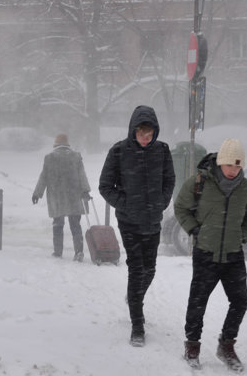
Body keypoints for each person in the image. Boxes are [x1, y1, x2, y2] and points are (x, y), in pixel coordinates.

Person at [174, 138, 247, 372]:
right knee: (198, 301)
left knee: (240, 301)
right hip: (206, 253)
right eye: (229, 165)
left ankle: (226, 345)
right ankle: (192, 345)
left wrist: (242, 235)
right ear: (220, 163)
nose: (234, 170)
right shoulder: (200, 183)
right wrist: (194, 229)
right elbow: (181, 207)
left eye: (238, 166)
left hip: (233, 255)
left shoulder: (246, 189)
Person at [98, 105, 175, 347]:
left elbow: (170, 180)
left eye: (150, 134)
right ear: (134, 131)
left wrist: (161, 203)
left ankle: (134, 299)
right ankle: (137, 325)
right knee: (137, 269)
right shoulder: (119, 151)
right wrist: (126, 205)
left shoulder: (162, 151)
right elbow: (105, 186)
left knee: (150, 270)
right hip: (129, 222)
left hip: (153, 221)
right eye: (142, 134)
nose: (146, 138)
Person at [32, 133, 92, 261]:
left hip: (57, 196)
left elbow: (43, 177)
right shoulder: (76, 157)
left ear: (56, 145)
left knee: (57, 225)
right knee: (75, 225)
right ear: (67, 144)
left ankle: (58, 252)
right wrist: (85, 190)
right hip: (74, 195)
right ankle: (79, 252)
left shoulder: (50, 158)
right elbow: (82, 175)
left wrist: (37, 193)